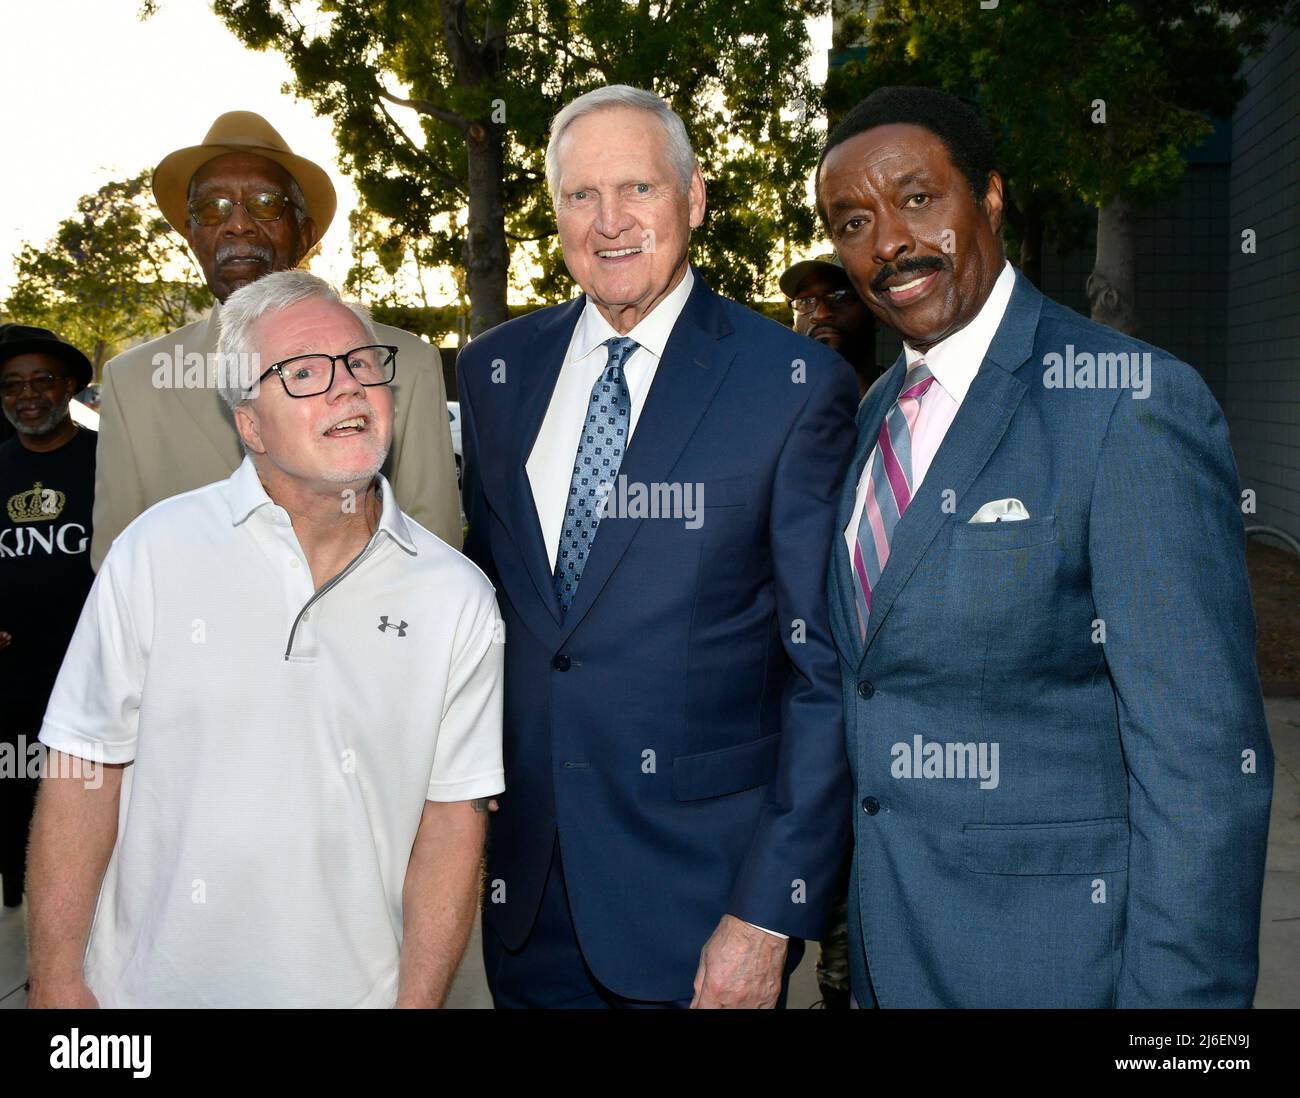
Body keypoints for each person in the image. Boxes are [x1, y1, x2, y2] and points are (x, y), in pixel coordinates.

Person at [819, 86, 1273, 1007]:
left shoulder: (1127, 402)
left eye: (917, 198)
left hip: (1058, 973)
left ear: (989, 198)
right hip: (887, 959)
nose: (888, 244)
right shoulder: (872, 415)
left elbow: (1201, 778)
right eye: (853, 220)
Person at [459, 85, 857, 1009]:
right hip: (526, 896)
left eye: (637, 189)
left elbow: (825, 673)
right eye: (580, 196)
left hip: (701, 907)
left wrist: (768, 914)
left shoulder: (793, 387)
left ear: (695, 198)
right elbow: (489, 600)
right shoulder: (496, 373)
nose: (609, 223)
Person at [26, 272, 503, 1008]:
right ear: (249, 425)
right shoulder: (155, 552)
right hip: (145, 995)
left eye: (361, 364)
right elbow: (84, 772)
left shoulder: (457, 598)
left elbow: (451, 822)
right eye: (304, 373)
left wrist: (417, 1004)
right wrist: (57, 982)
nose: (347, 389)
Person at [90, 111, 461, 570]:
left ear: (304, 233)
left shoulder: (407, 364)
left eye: (266, 203)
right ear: (192, 235)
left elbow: (433, 550)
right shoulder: (132, 383)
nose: (238, 224)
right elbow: (117, 565)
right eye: (212, 208)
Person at [0, 325, 96, 910]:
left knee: (92, 805)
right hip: (13, 679)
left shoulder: (107, 459)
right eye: (11, 386)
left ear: (68, 388)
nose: (27, 396)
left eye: (41, 381)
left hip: (92, 672)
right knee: (20, 808)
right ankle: (43, 936)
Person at [781, 252, 880, 399]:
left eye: (839, 297)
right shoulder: (780, 405)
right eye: (805, 301)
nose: (820, 314)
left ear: (875, 313)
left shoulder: (911, 397)